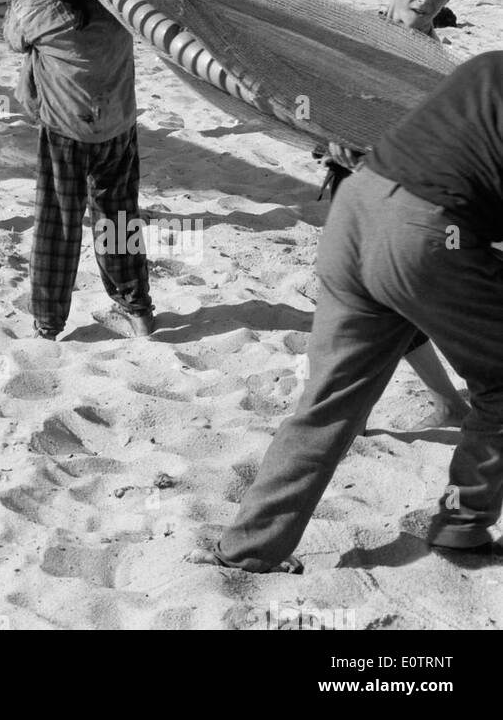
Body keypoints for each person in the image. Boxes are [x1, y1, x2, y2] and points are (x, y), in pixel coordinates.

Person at [208, 51, 503, 573]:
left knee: (328, 401)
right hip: (424, 237)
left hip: (357, 209)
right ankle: (462, 524)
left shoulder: (489, 66)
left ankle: (249, 547)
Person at [313, 0, 471, 428]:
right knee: (377, 302)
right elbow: (320, 98)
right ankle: (445, 402)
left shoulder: (436, 65)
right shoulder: (354, 35)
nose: (425, 2)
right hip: (348, 185)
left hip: (399, 197)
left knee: (365, 303)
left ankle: (349, 410)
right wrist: (329, 139)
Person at [0, 0, 156, 340]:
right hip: (118, 125)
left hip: (65, 130)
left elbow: (13, 39)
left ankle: (49, 323)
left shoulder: (31, 0)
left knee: (59, 224)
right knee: (119, 218)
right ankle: (137, 310)